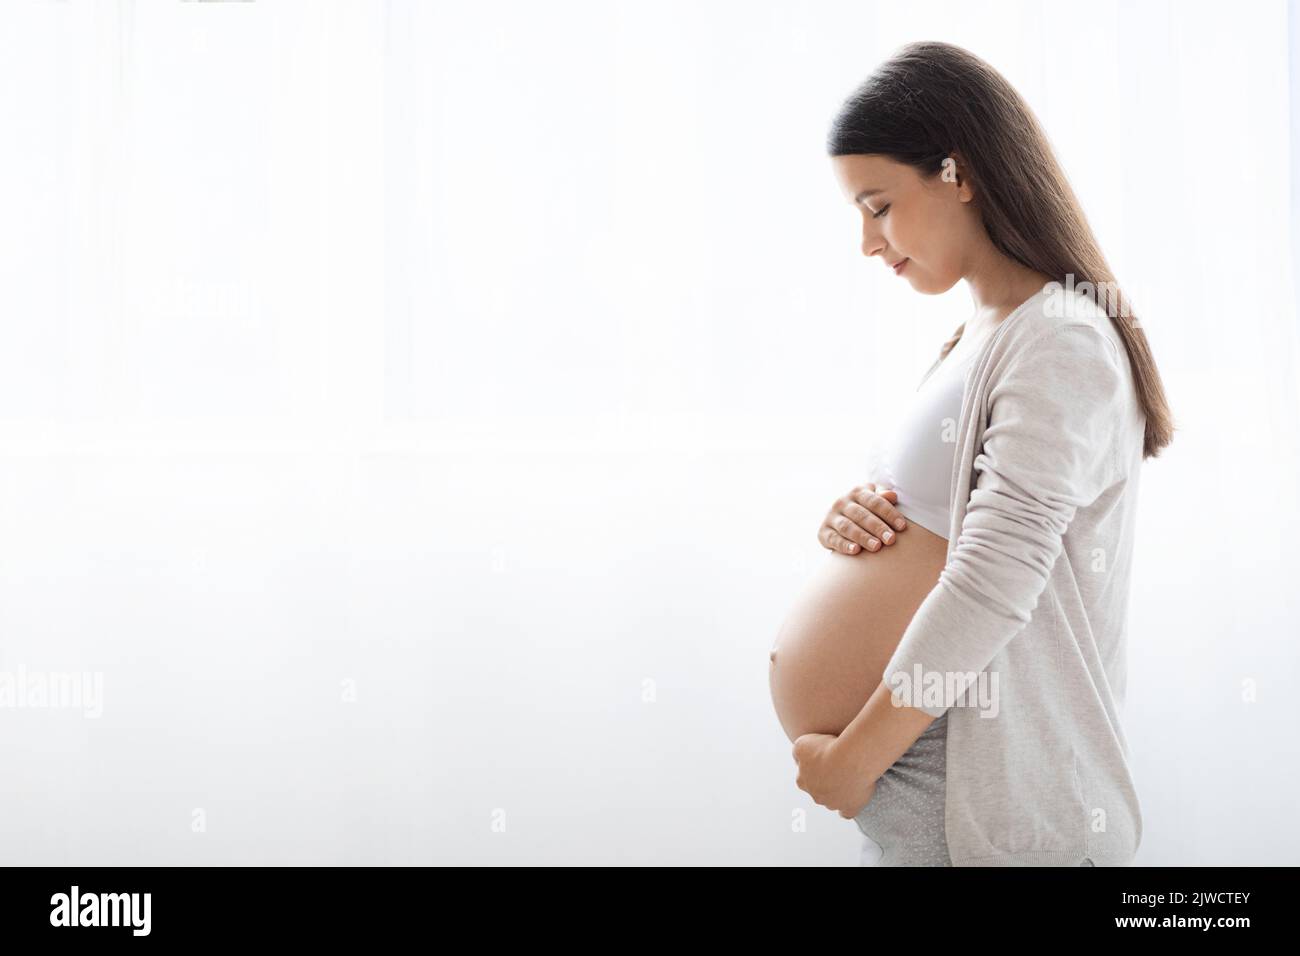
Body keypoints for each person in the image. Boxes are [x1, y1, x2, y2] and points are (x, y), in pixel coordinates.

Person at [789, 41, 1174, 866]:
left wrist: (855, 761)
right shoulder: (980, 335)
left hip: (992, 812)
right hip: (929, 798)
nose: (866, 241)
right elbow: (939, 530)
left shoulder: (1063, 338)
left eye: (879, 205)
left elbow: (998, 574)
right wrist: (853, 520)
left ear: (958, 174)